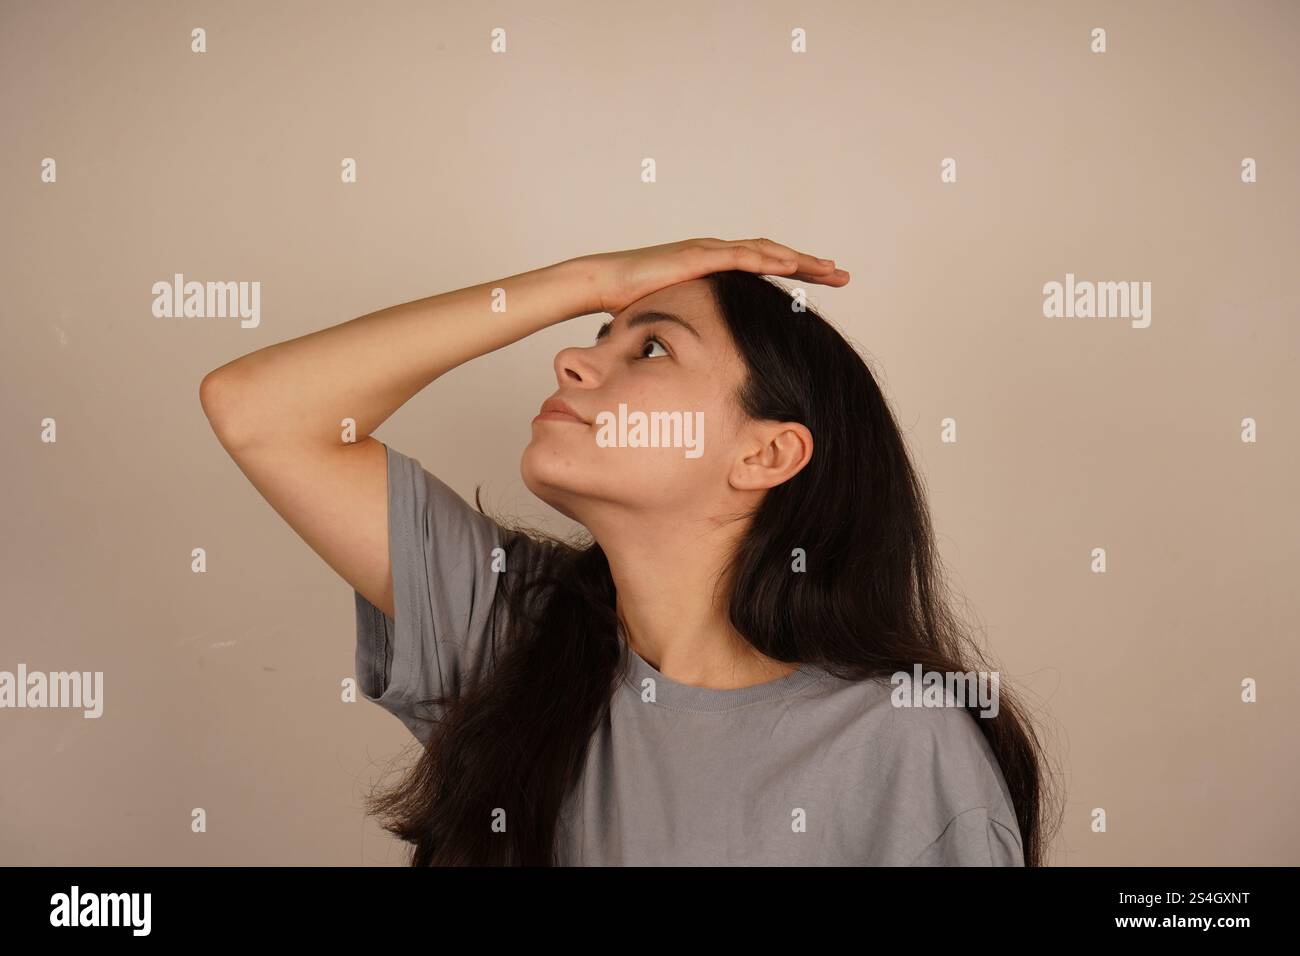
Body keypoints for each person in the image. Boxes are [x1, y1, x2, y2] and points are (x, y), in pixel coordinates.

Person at [200, 237, 1056, 865]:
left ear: (765, 455)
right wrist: (591, 280)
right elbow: (259, 411)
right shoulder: (510, 630)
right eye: (596, 331)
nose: (572, 357)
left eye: (650, 347)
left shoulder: (898, 744)